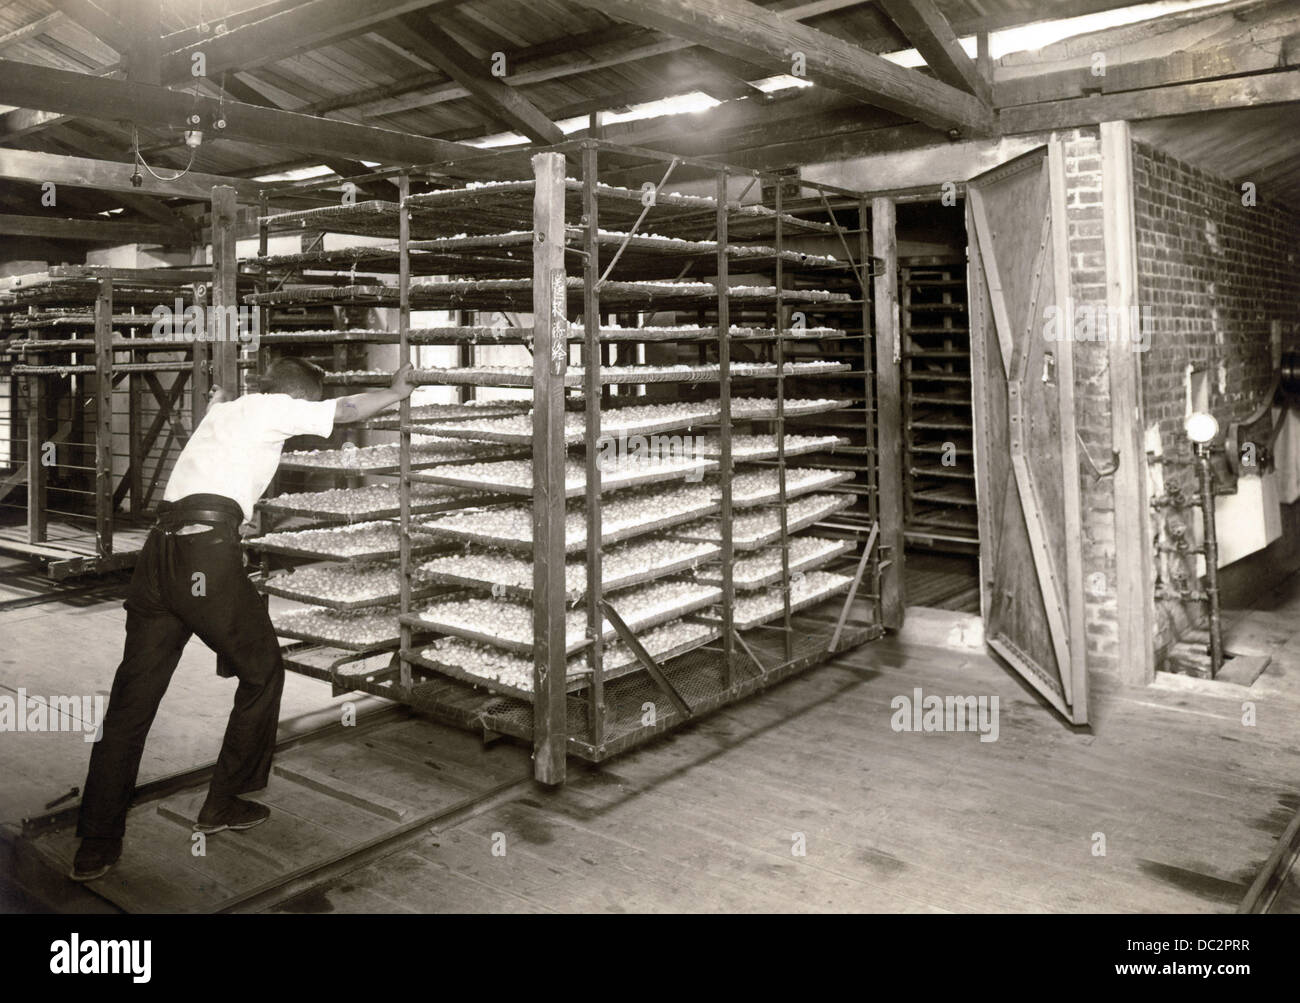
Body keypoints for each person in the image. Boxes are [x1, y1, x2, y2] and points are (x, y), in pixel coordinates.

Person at [70, 358, 417, 881]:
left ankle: (95, 844)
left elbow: (221, 424)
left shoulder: (225, 413)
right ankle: (223, 803)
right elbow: (345, 409)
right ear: (297, 398)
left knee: (131, 701)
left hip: (157, 557)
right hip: (204, 556)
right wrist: (395, 392)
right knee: (263, 673)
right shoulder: (275, 408)